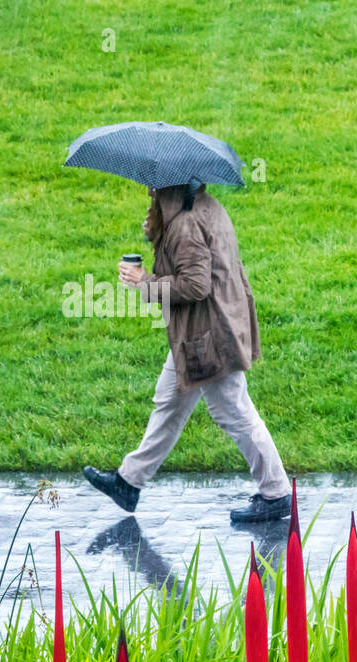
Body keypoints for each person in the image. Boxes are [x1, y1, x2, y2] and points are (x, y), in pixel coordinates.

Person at [83, 181, 292, 522]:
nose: (148, 191)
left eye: (151, 188)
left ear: (165, 185)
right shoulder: (202, 206)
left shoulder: (185, 223)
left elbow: (195, 285)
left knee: (234, 411)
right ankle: (129, 481)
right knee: (169, 402)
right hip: (202, 330)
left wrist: (143, 281)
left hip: (208, 335)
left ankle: (277, 493)